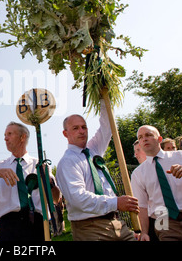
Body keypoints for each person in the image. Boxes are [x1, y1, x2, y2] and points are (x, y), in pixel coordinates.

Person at [56, 99, 139, 241]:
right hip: (90, 228)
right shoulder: (67, 162)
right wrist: (116, 203)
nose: (81, 131)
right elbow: (78, 199)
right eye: (75, 128)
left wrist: (102, 97)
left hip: (117, 223)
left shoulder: (93, 149)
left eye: (84, 127)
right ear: (65, 133)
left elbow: (107, 127)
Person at [131, 125, 182, 241]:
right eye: (140, 137)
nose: (144, 139)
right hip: (165, 225)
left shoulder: (181, 156)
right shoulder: (138, 173)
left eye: (149, 135)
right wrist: (144, 232)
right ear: (139, 144)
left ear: (159, 139)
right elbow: (142, 206)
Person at [0, 121, 60, 241]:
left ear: (22, 137)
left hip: (37, 225)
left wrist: (48, 181)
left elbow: (56, 198)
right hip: (7, 228)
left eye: (9, 134)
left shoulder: (39, 165)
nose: (5, 138)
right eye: (4, 135)